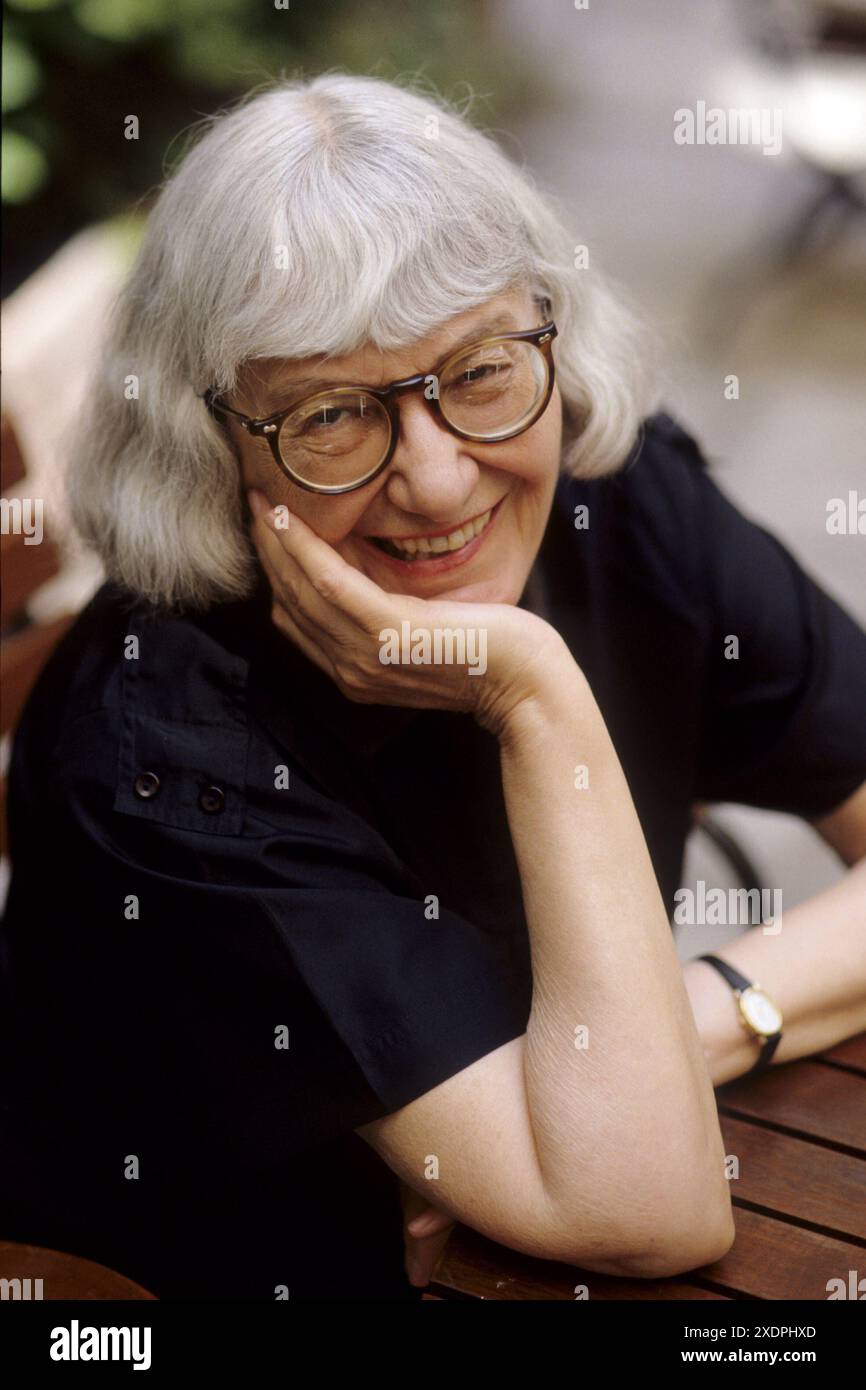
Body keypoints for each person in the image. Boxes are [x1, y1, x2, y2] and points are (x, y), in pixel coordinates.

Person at [2, 73, 865, 1302]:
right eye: (334, 417)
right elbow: (643, 1209)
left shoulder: (609, 499)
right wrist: (534, 694)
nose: (442, 481)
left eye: (478, 372)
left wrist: (701, 1020)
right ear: (212, 440)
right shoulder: (164, 749)